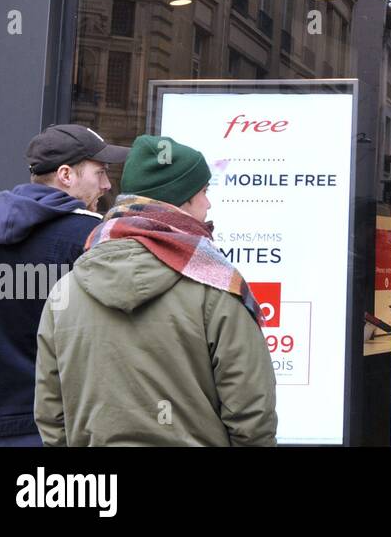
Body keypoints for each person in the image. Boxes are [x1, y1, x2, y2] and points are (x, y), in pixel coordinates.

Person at [35, 134, 278, 446]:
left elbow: (51, 412)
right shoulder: (214, 286)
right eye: (204, 191)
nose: (208, 203)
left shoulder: (66, 291)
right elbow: (250, 412)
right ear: (180, 199)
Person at [0, 124, 128, 447]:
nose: (107, 184)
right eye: (100, 173)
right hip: (50, 431)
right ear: (66, 174)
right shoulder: (89, 238)